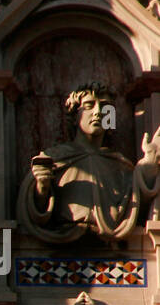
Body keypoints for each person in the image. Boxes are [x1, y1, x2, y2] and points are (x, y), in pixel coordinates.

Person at [17, 82, 160, 243]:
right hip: (59, 252)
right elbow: (34, 214)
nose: (98, 112)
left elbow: (138, 208)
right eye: (89, 106)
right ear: (74, 115)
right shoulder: (55, 158)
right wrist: (42, 187)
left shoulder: (120, 165)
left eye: (105, 108)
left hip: (117, 259)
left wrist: (150, 165)